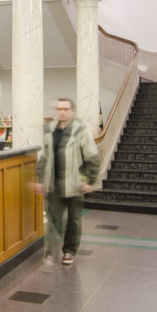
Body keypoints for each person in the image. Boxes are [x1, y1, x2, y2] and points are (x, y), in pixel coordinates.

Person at [30, 98, 100, 268]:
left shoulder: (81, 131)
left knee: (73, 221)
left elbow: (92, 158)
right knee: (53, 219)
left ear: (72, 111)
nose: (61, 112)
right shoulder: (50, 131)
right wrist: (40, 180)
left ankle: (69, 251)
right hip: (53, 184)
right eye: (59, 109)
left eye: (65, 109)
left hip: (74, 185)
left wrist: (87, 180)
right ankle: (52, 252)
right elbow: (44, 158)